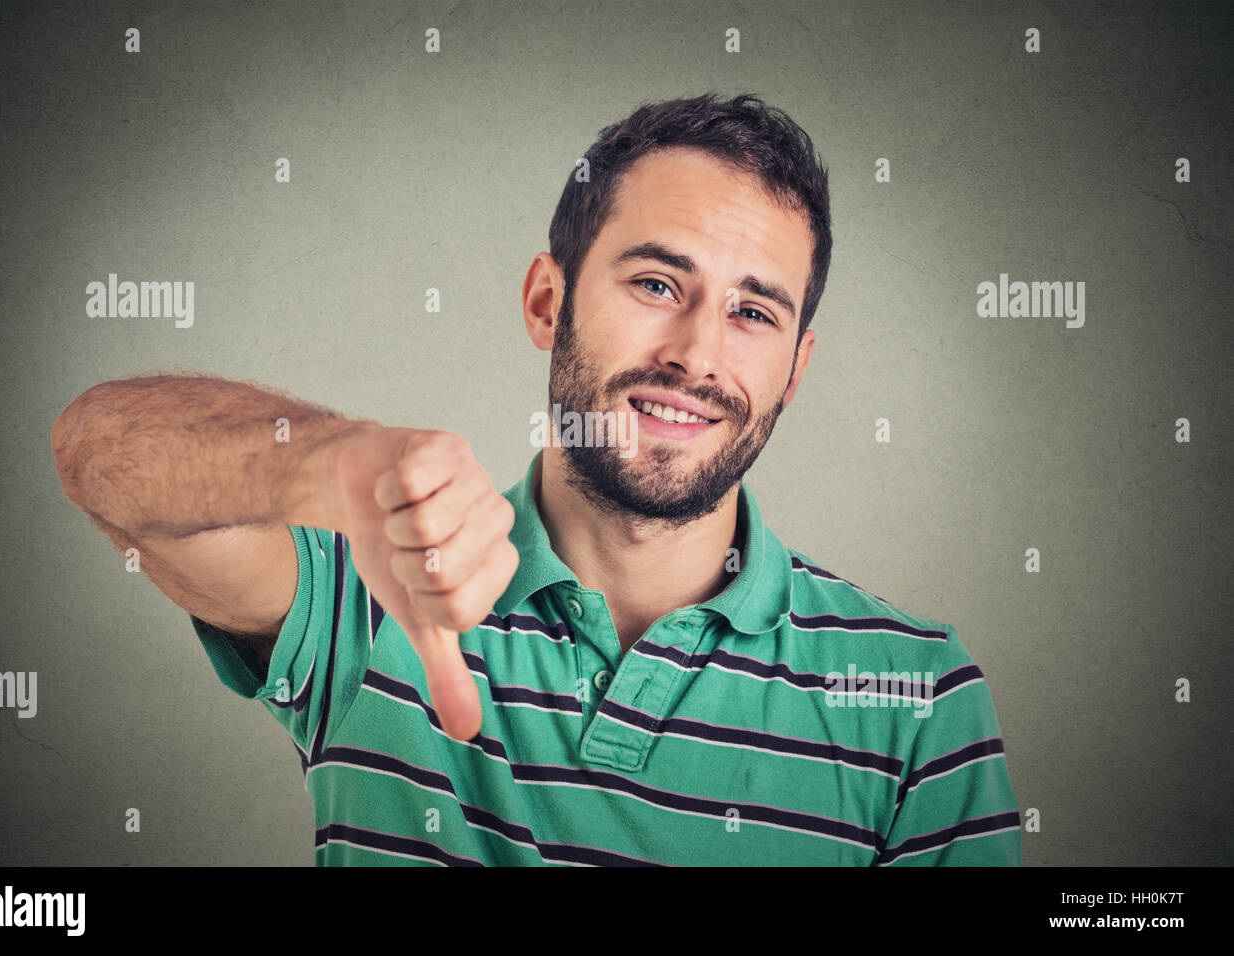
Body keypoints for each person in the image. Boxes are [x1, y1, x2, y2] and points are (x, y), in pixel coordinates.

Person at [51, 92, 1021, 866]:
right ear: (545, 299)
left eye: (753, 312)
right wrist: (323, 459)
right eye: (654, 283)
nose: (695, 353)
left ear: (795, 369)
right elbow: (99, 452)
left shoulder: (915, 692)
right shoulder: (378, 584)